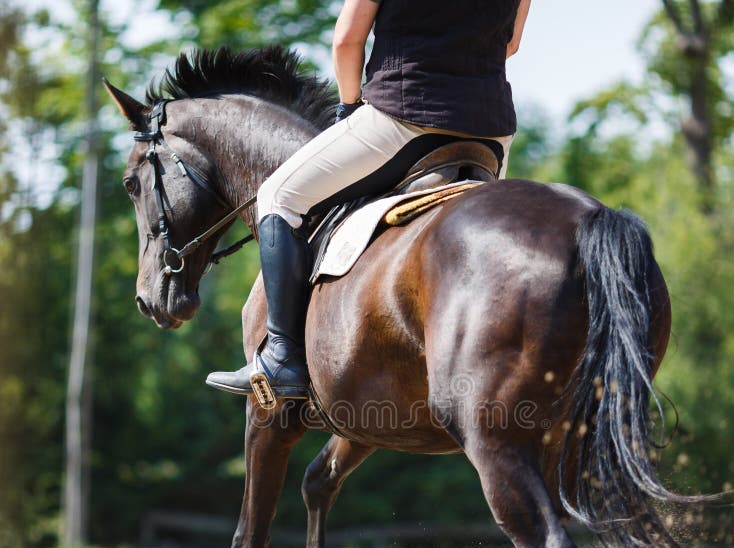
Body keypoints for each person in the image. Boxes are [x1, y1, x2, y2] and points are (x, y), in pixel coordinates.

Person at [206, 0, 532, 399]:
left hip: (401, 116)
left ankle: (281, 358)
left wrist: (347, 107)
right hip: (489, 131)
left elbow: (346, 41)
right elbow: (510, 43)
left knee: (278, 195)